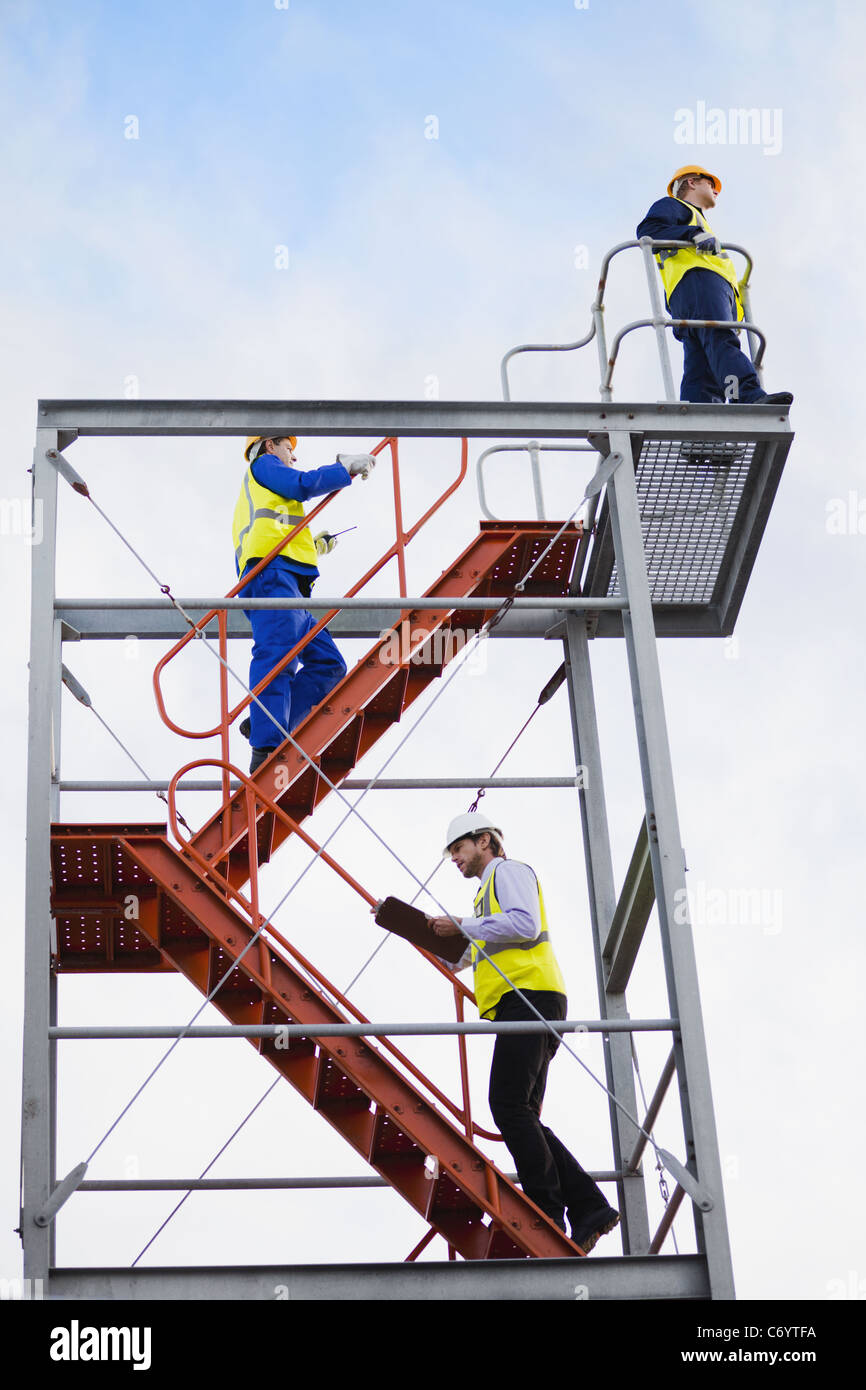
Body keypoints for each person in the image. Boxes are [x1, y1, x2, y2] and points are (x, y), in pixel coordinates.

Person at [428, 811, 620, 1252]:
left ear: (484, 842)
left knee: (508, 1105)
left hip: (530, 997)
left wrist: (461, 926)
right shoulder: (481, 900)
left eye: (458, 848)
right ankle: (589, 1207)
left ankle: (547, 1207)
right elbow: (468, 954)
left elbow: (524, 924)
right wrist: (418, 930)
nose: (454, 859)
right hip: (527, 1000)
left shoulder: (508, 872)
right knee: (520, 1111)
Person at [232, 434, 376, 772]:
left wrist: (316, 545)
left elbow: (279, 529)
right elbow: (300, 485)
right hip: (272, 575)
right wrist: (343, 469)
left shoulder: (268, 490)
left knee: (329, 666)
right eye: (288, 449)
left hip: (289, 582)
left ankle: (265, 719)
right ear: (270, 445)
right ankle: (266, 747)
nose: (292, 457)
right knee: (279, 654)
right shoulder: (264, 464)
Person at [636, 165, 793, 406]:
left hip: (697, 290)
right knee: (720, 340)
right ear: (691, 182)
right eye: (711, 184)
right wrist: (692, 234)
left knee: (703, 364)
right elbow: (648, 231)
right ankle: (748, 397)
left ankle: (699, 424)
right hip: (698, 282)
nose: (716, 190)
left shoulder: (699, 222)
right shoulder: (675, 207)